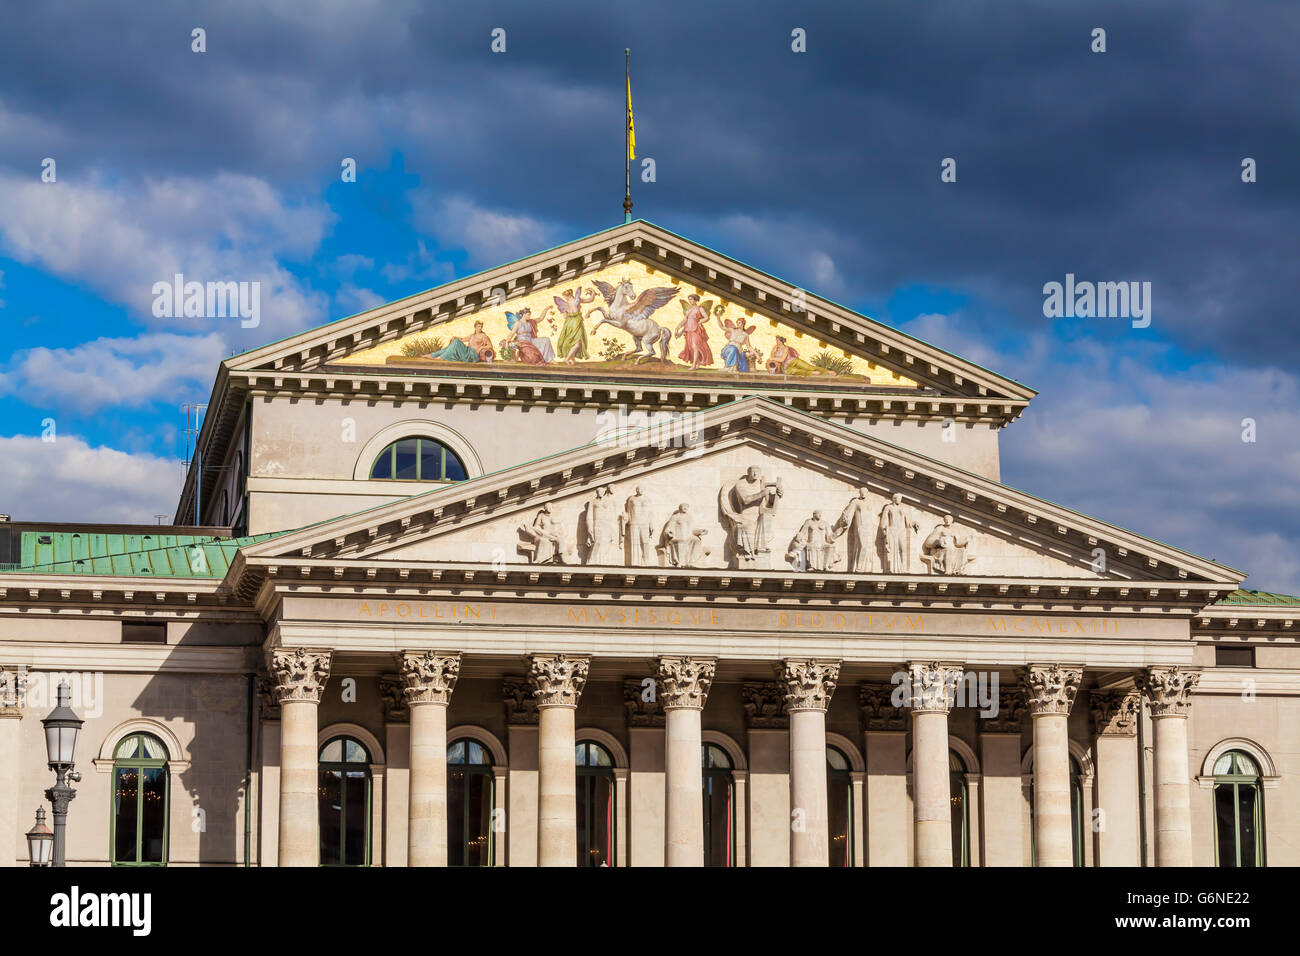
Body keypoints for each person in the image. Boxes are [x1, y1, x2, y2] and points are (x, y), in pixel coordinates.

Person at [554, 288, 597, 364]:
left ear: (568, 296)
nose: (565, 299)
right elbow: (590, 300)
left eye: (565, 297)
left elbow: (565, 316)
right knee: (578, 342)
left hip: (568, 323)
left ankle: (572, 359)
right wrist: (593, 292)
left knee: (571, 341)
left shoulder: (566, 303)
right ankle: (567, 359)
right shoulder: (577, 300)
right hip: (576, 322)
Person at [675, 294, 714, 369]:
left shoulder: (700, 308)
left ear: (696, 300)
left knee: (695, 346)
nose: (690, 301)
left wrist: (699, 322)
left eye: (691, 299)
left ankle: (693, 365)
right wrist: (677, 327)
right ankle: (697, 364)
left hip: (696, 329)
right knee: (691, 347)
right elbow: (684, 320)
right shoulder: (689, 310)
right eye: (689, 299)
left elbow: (706, 317)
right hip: (688, 329)